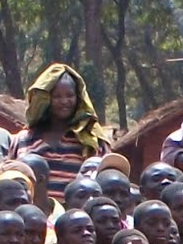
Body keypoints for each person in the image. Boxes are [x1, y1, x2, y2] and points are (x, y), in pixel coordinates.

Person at [9, 64, 109, 201]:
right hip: (33, 218)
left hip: (78, 219)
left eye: (70, 95)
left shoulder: (91, 140)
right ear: (44, 100)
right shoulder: (23, 139)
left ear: (78, 98)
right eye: (57, 96)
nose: (64, 101)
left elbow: (107, 182)